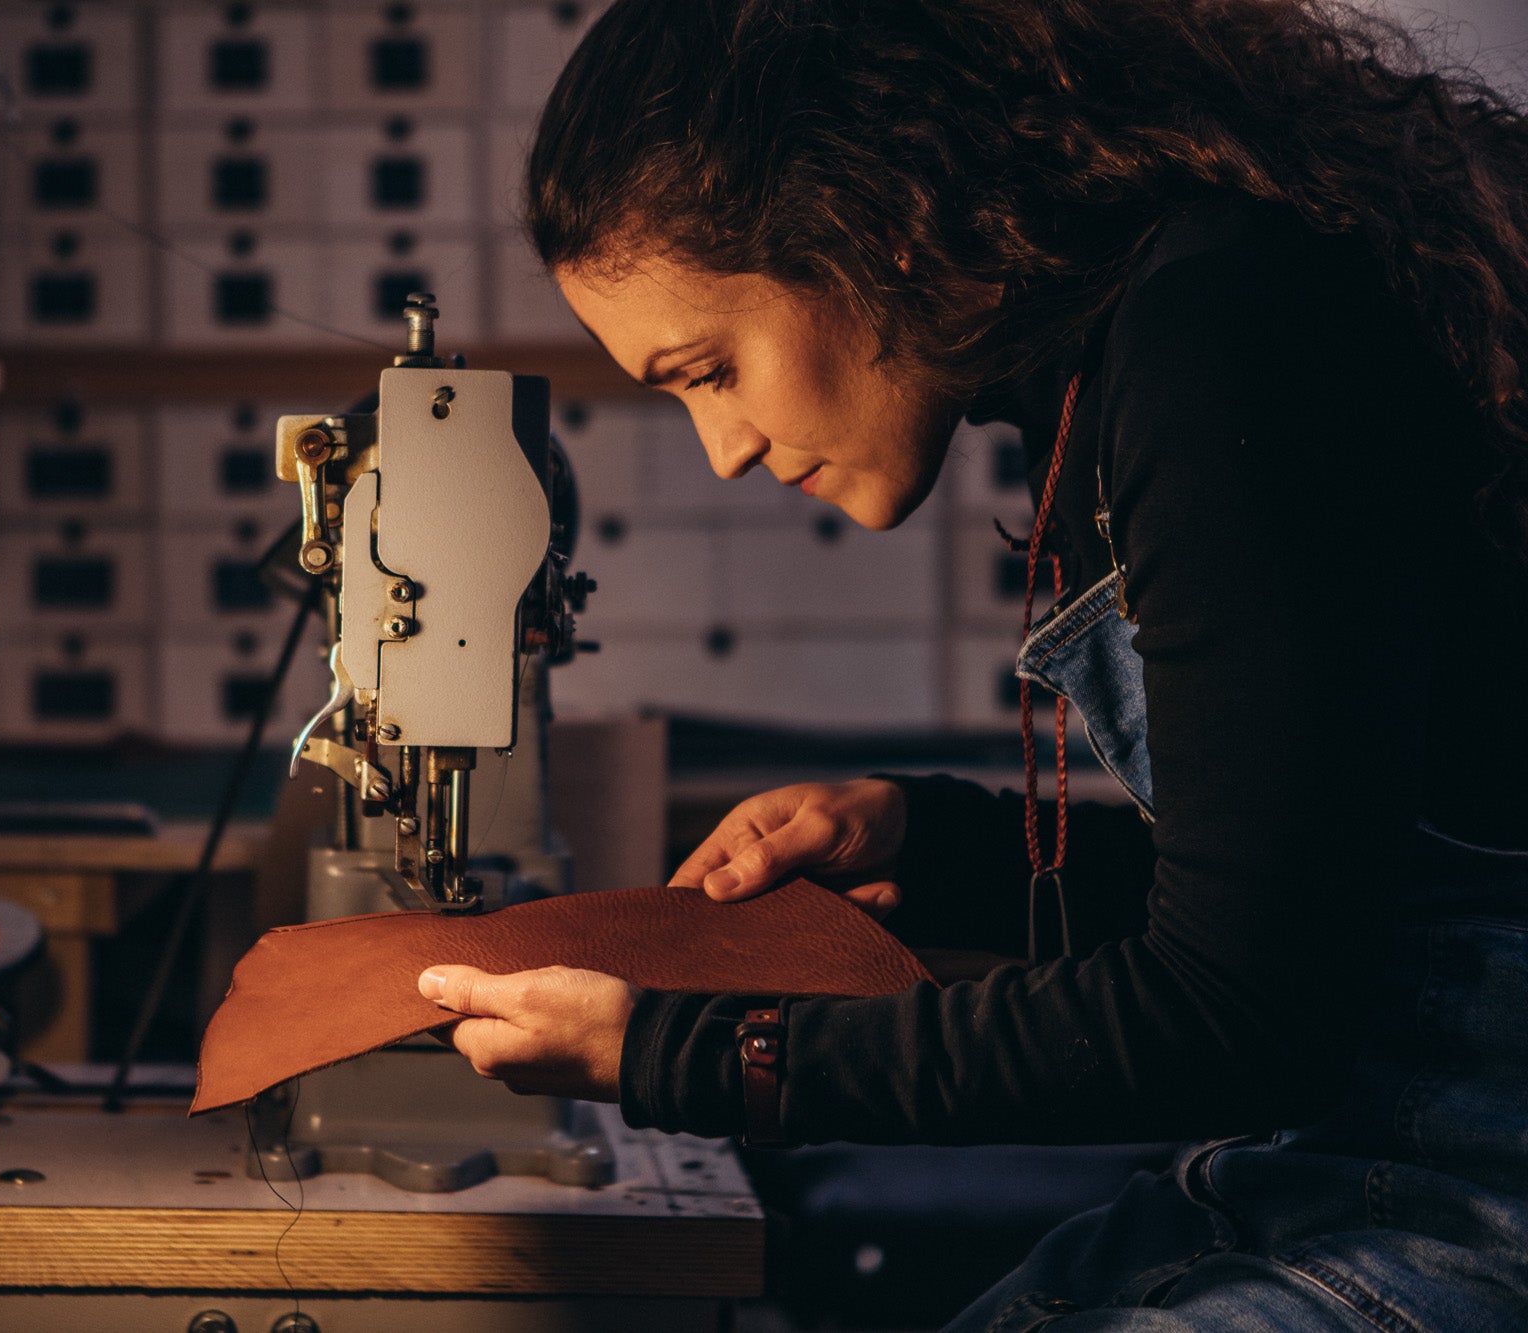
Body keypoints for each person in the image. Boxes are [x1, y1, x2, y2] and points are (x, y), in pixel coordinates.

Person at [412, 0, 1528, 1326]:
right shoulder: (1129, 348)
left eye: (711, 369)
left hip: (1475, 1200)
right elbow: (1317, 899)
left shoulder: (1217, 336)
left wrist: (685, 1056)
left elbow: (1241, 1014)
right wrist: (934, 841)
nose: (726, 447)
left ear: (864, 222)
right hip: (1352, 1165)